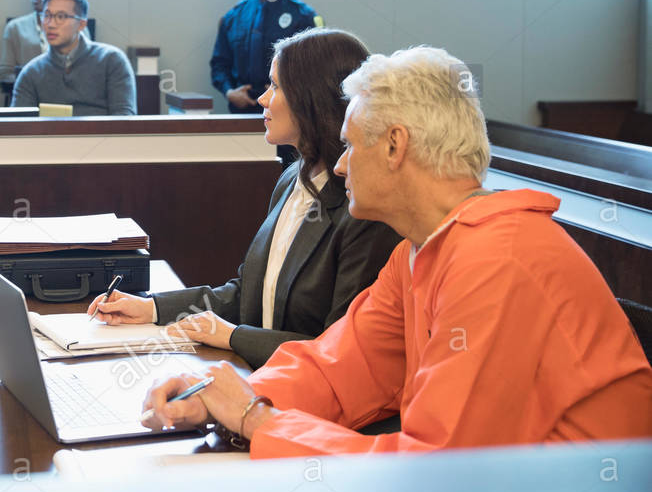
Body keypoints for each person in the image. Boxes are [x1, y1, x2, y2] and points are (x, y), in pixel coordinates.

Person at [142, 47, 652, 455]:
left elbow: (434, 476)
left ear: (394, 145)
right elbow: (337, 367)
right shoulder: (421, 250)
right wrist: (217, 394)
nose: (340, 167)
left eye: (350, 146)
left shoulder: (495, 260)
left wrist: (257, 419)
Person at [92, 29, 401, 369]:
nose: (263, 99)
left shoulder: (364, 208)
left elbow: (339, 349)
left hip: (306, 397)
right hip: (260, 376)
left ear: (311, 97)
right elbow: (247, 293)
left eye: (276, 86)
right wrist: (151, 307)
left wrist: (232, 336)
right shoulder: (290, 180)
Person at [211, 0, 320, 114]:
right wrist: (229, 92)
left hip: (286, 110)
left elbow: (313, 66)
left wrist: (286, 90)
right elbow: (219, 64)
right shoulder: (233, 17)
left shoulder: (302, 15)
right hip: (241, 110)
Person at [11, 0, 135, 116]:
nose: (51, 24)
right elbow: (19, 126)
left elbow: (124, 120)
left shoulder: (111, 60)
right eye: (47, 15)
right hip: (51, 136)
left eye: (61, 16)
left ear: (81, 24)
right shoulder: (31, 72)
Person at [0, 0, 74, 85]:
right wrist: (32, 84)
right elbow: (5, 74)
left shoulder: (75, 26)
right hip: (29, 96)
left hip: (69, 97)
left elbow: (85, 71)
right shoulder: (16, 27)